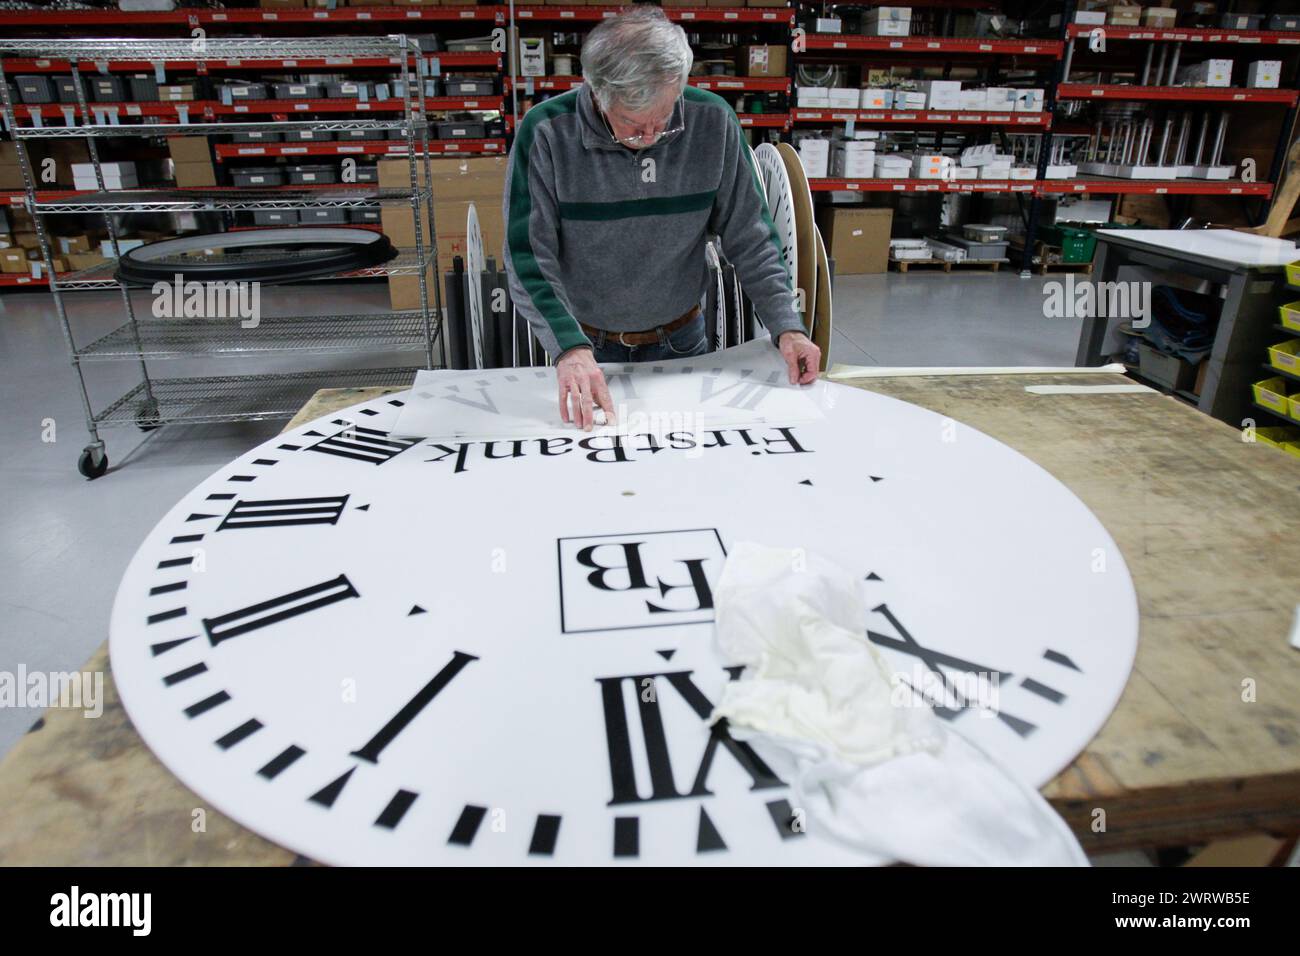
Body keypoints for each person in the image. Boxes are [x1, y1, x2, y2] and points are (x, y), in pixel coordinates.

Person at [502, 5, 821, 431]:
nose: (650, 139)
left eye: (664, 120)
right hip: (587, 348)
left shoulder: (713, 122)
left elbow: (753, 238)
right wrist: (569, 349)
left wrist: (788, 327)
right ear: (598, 94)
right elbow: (529, 258)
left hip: (682, 339)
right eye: (633, 126)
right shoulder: (545, 134)